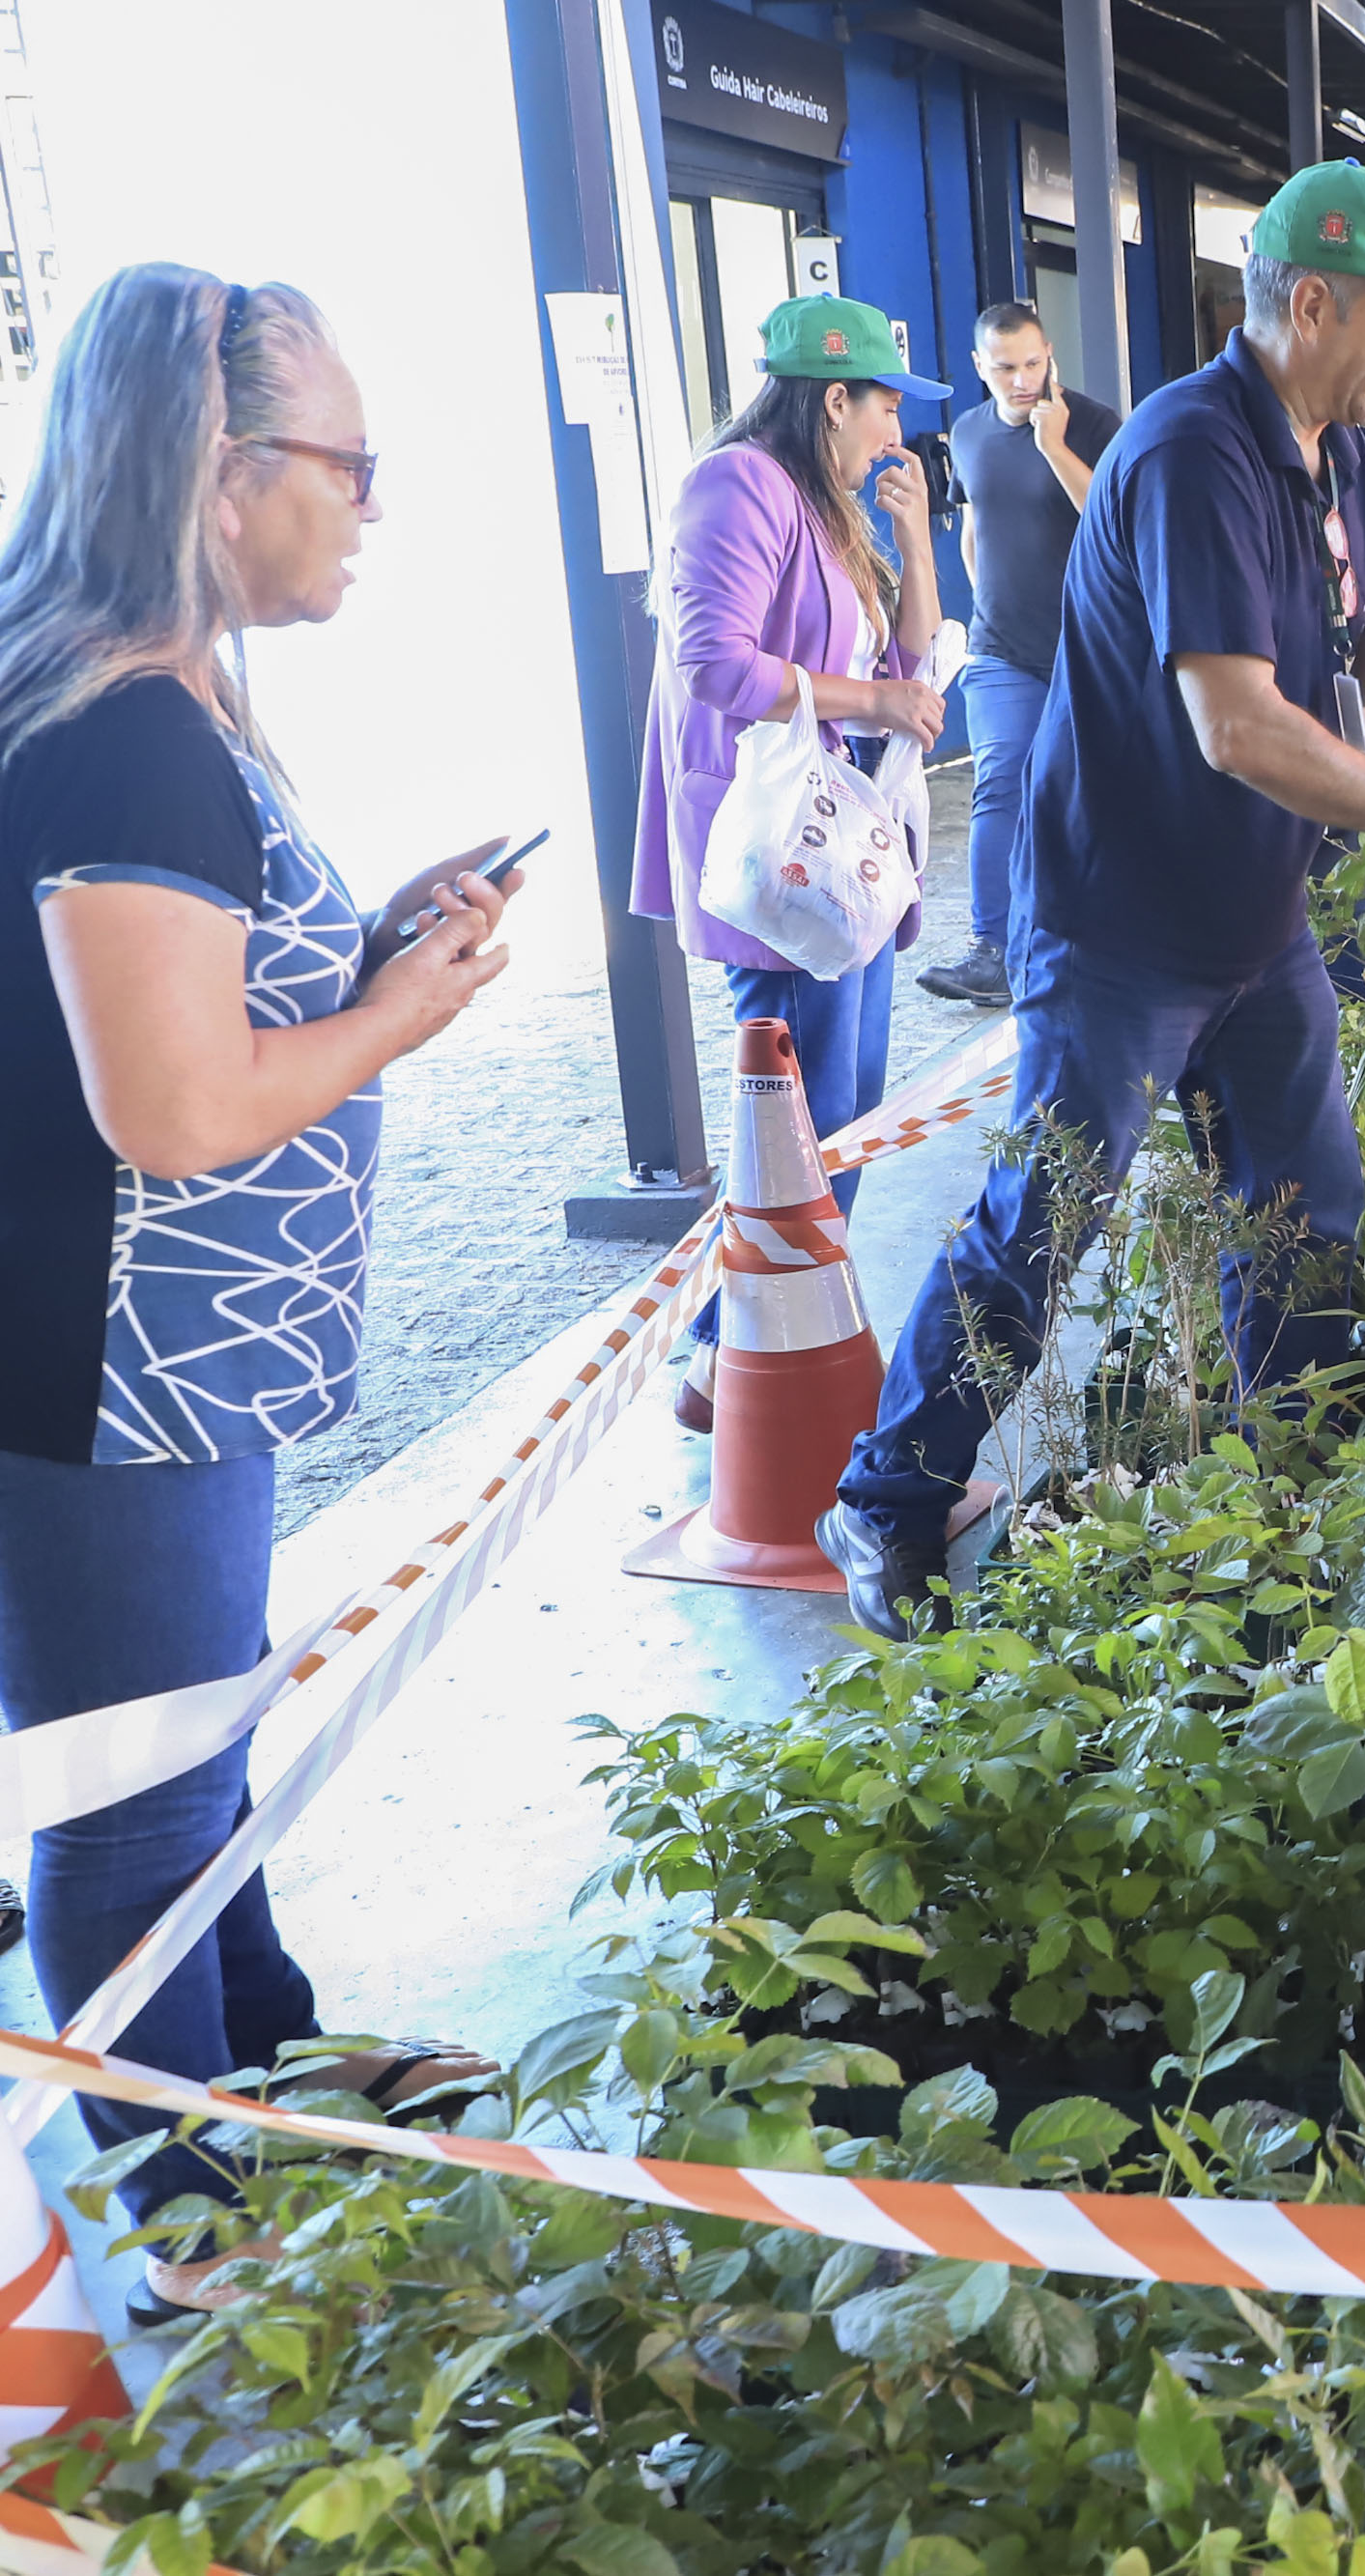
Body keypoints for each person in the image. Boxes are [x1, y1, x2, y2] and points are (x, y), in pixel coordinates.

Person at [820, 157, 1365, 1636]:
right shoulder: (1190, 451)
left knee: (1305, 1213)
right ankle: (885, 1501)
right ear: (1314, 301)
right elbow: (1241, 724)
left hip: (1257, 925)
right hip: (1123, 932)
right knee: (1042, 1230)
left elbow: (1321, 654)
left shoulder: (1330, 449)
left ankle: (1307, 1495)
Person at [0, 266, 507, 2314]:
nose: (368, 507)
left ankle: (265, 2063)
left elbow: (189, 1003)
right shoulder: (126, 734)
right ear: (224, 477)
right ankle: (184, 2234)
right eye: (347, 468)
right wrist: (394, 1011)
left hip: (170, 1358)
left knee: (194, 1745)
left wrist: (366, 952)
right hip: (114, 1360)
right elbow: (179, 1108)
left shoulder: (155, 697)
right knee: (129, 1795)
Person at [636, 292, 949, 1431]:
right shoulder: (736, 487)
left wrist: (914, 536)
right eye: (883, 408)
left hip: (836, 862)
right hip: (774, 863)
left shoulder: (827, 506)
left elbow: (910, 652)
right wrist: (872, 698)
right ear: (832, 401)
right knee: (802, 1112)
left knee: (844, 1105)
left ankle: (759, 1344)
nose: (894, 431)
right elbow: (715, 661)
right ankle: (738, 1354)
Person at [920, 300, 1121, 1011]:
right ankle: (993, 951)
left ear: (1049, 357)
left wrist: (1054, 447)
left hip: (1088, 647)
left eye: (1033, 364)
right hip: (1001, 649)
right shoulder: (967, 432)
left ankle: (1100, 946)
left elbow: (1117, 522)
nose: (1022, 380)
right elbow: (975, 526)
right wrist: (988, 611)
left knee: (1085, 799)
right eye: (1005, 368)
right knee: (999, 785)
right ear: (980, 367)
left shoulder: (1094, 425)